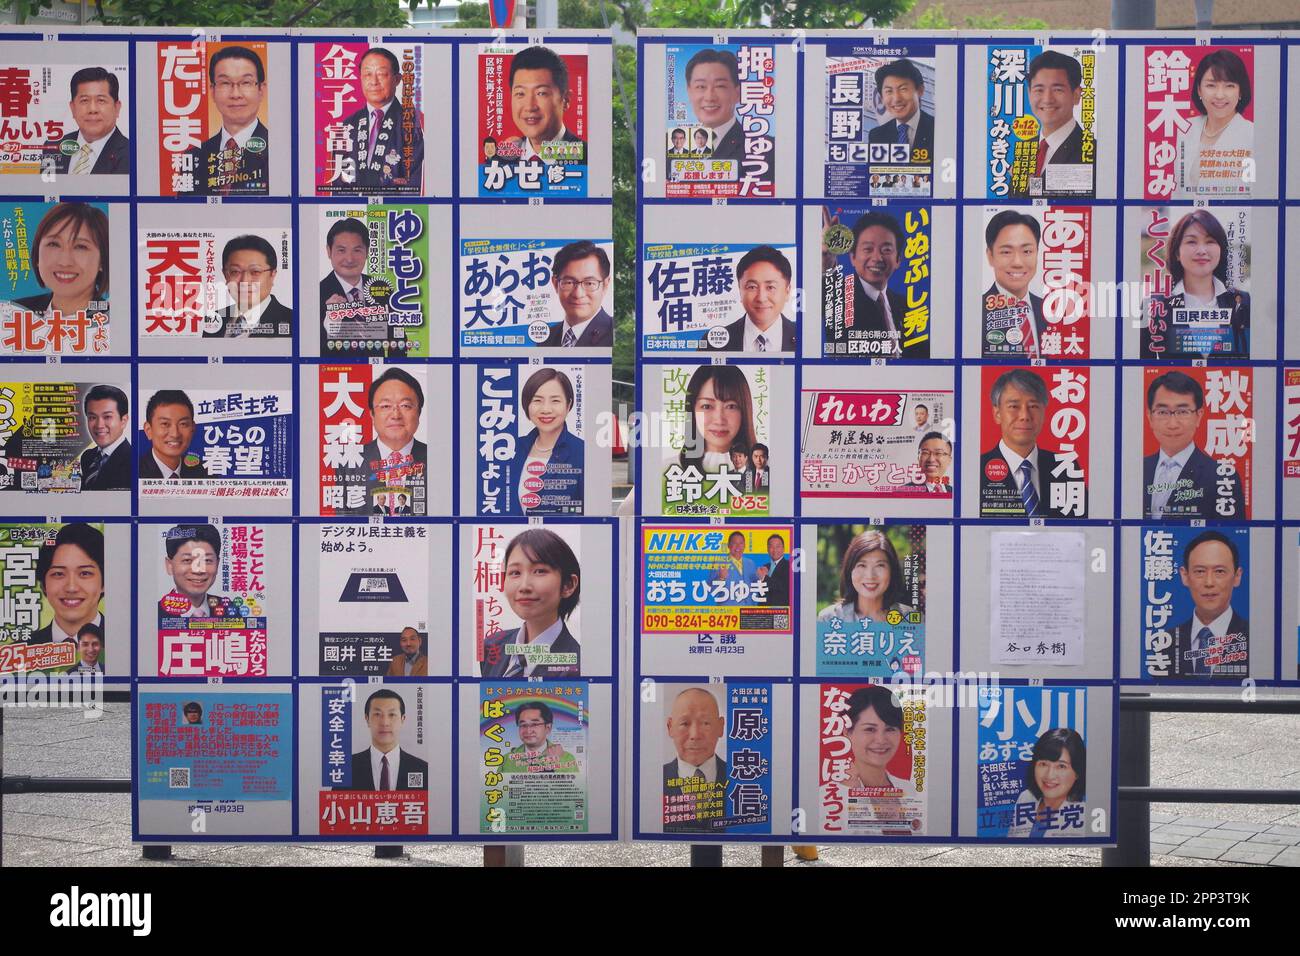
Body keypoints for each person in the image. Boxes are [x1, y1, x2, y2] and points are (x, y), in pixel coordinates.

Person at [1142, 370, 1244, 519]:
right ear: (1149, 416)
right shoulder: (1136, 470)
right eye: (1163, 412)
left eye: (1182, 412)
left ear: (1199, 416)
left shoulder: (1222, 477)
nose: (1172, 424)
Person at [480, 528, 581, 678]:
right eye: (515, 573)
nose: (524, 586)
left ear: (568, 585)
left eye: (540, 571)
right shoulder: (491, 646)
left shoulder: (579, 666)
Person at [1149, 210, 1249, 358]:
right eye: (1191, 242)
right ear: (1177, 252)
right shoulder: (1154, 304)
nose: (1202, 250)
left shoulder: (1242, 301)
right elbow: (1142, 368)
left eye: (1210, 241)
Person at [980, 369, 1071, 518]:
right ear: (997, 414)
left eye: (1034, 406)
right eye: (1014, 406)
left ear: (1044, 412)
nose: (1025, 416)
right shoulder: (976, 469)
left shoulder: (1065, 466)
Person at [186, 45, 269, 195]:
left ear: (261, 90)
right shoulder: (194, 157)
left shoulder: (280, 151)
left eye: (246, 83)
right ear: (212, 91)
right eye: (225, 83)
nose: (235, 94)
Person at [339, 47, 424, 191]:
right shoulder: (348, 125)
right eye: (367, 74)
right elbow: (343, 181)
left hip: (396, 211)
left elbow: (416, 185)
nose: (373, 82)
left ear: (397, 79)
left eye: (382, 74)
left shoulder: (415, 123)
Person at [683, 48, 772, 184]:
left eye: (720, 86)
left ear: (738, 93)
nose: (709, 97)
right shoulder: (672, 145)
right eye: (700, 87)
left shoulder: (766, 149)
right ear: (689, 92)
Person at [1169, 531, 1249, 677]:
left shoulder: (1255, 638)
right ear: (1185, 576)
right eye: (1200, 571)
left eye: (1219, 571)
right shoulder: (1165, 643)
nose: (1209, 582)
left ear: (1237, 576)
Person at [10, 203, 110, 319]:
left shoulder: (116, 320)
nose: (64, 262)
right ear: (37, 255)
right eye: (54, 244)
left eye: (80, 247)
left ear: (102, 260)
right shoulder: (13, 313)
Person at [1176, 48, 1253, 195]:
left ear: (1240, 91)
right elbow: (1178, 192)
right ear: (1199, 90)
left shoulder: (1252, 135)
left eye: (1229, 86)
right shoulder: (1187, 128)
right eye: (1211, 85)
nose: (1219, 95)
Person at [846, 212, 923, 358]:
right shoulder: (840, 300)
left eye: (886, 250)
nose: (877, 258)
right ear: (853, 257)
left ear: (898, 260)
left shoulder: (903, 303)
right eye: (868, 249)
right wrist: (826, 259)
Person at [508, 367, 584, 513]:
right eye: (537, 400)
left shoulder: (584, 454)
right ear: (527, 405)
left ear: (568, 405)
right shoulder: (510, 448)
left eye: (555, 400)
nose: (546, 409)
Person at [706, 245, 796, 352]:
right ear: (740, 290)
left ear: (787, 291)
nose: (761, 298)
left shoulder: (806, 339)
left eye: (770, 287)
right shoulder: (713, 343)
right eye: (752, 287)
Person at [502, 46, 583, 165]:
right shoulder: (498, 161)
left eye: (541, 93)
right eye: (520, 93)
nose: (530, 107)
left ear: (565, 100)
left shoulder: (587, 159)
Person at [1022, 50, 1090, 191]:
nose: (1047, 99)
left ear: (1076, 94)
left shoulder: (1090, 151)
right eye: (1039, 90)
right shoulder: (1025, 149)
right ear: (1029, 94)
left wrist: (1033, 185)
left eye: (1057, 90)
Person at [663, 687, 727, 834]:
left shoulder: (741, 778)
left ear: (721, 726)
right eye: (685, 723)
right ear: (670, 727)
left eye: (705, 723)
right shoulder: (653, 780)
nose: (695, 735)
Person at [672, 365, 756, 477]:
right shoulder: (669, 470)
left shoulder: (768, 472)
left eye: (731, 406)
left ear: (744, 411)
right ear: (692, 410)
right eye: (707, 406)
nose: (719, 420)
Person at [43, 67, 130, 175]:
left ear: (117, 108)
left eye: (101, 100)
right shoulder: (52, 148)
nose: (92, 109)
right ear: (73, 108)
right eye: (84, 100)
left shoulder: (132, 154)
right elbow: (45, 190)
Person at [983, 209, 1046, 358]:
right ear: (990, 256)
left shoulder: (1051, 311)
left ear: (1037, 252)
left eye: (1027, 251)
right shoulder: (975, 314)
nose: (1018, 262)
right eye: (1006, 252)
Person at [28, 523, 104, 645]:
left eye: (85, 573)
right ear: (44, 585)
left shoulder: (125, 641)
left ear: (104, 583)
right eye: (58, 574)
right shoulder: (19, 653)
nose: (71, 588)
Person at [816, 529, 912, 626]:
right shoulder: (828, 618)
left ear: (892, 571)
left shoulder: (911, 619)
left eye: (880, 565)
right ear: (850, 570)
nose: (870, 576)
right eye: (862, 565)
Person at [203, 234, 292, 338]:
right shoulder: (214, 320)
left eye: (255, 272)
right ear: (225, 275)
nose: (244, 282)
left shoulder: (294, 321)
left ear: (272, 275)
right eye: (235, 272)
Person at [340, 688, 429, 790]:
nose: (385, 722)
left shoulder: (423, 769)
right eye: (377, 714)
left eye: (392, 715)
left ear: (402, 719)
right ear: (367, 719)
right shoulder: (346, 768)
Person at [1007, 728, 1086, 837]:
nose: (1050, 775)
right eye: (1043, 764)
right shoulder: (1026, 798)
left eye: (1061, 766)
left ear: (1077, 772)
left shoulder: (1085, 818)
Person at [362, 367, 426, 495]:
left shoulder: (439, 461)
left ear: (419, 413)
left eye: (405, 406)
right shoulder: (350, 463)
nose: (396, 415)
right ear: (372, 415)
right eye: (386, 406)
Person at [543, 241, 613, 347]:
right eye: (569, 282)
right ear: (555, 283)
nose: (578, 294)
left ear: (606, 285)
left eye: (589, 283)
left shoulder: (613, 334)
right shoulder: (545, 338)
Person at [842, 685, 907, 792]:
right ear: (847, 732)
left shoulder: (910, 790)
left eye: (890, 729)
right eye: (870, 729)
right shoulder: (830, 797)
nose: (881, 740)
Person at [866, 58, 934, 159]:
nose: (896, 98)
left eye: (903, 89)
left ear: (920, 91)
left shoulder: (938, 129)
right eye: (889, 91)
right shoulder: (877, 136)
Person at [160, 524, 227, 618]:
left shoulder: (231, 611)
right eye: (187, 560)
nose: (198, 570)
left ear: (217, 564)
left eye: (207, 560)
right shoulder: (154, 613)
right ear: (169, 565)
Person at [139, 389, 208, 479]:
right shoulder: (132, 473)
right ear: (148, 430)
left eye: (183, 424)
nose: (175, 434)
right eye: (165, 424)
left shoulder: (205, 472)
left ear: (192, 428)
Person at [320, 217, 374, 321]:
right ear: (329, 251)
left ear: (367, 252)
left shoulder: (382, 288)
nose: (349, 259)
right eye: (341, 250)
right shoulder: (317, 294)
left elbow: (397, 334)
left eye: (357, 250)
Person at [79, 384, 131, 491]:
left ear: (123, 421)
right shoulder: (87, 457)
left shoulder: (134, 461)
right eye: (92, 417)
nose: (99, 425)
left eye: (107, 417)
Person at [502, 701, 578, 774]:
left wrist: (556, 763)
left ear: (548, 727)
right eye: (523, 725)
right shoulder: (507, 759)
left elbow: (574, 785)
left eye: (535, 724)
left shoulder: (566, 758)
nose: (528, 731)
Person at [714, 531, 760, 604]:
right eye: (734, 543)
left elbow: (756, 587)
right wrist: (721, 579)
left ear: (744, 545)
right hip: (728, 612)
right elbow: (711, 589)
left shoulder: (751, 563)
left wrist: (761, 577)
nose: (738, 547)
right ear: (728, 545)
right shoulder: (719, 563)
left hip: (746, 611)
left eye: (741, 543)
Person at [756, 533, 790, 607]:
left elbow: (782, 587)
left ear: (783, 549)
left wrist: (764, 578)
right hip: (764, 613)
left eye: (778, 546)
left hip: (780, 612)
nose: (774, 550)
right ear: (767, 549)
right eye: (771, 547)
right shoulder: (765, 567)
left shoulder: (789, 566)